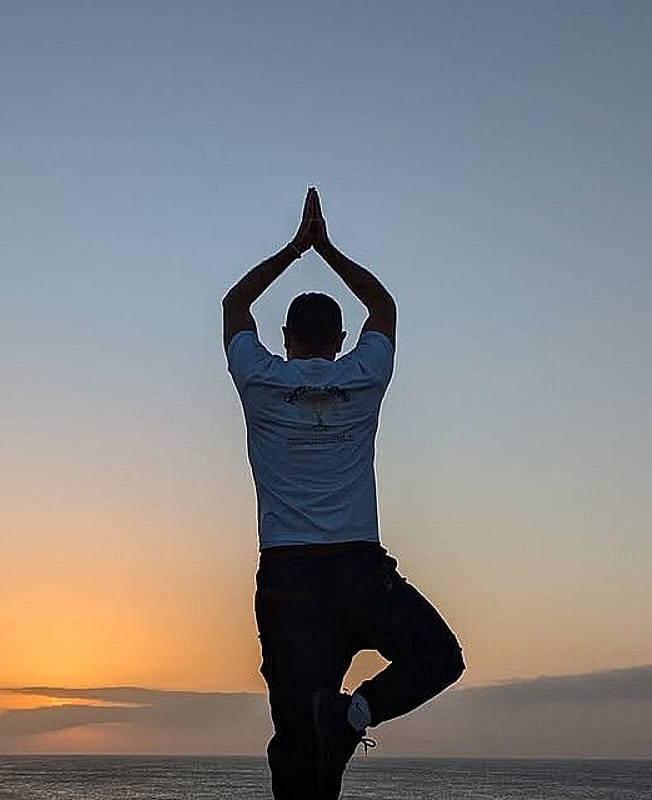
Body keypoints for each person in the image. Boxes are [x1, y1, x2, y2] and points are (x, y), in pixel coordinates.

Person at [222, 188, 465, 799]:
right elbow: (382, 303)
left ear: (285, 336)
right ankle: (356, 713)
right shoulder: (364, 375)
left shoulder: (260, 377)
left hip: (289, 579)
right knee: (438, 658)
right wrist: (327, 249)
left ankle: (339, 721)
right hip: (358, 571)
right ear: (339, 339)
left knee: (299, 745)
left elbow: (233, 302)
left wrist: (293, 249)